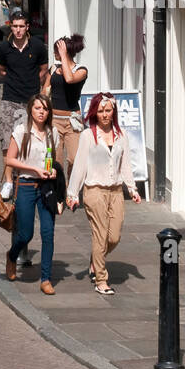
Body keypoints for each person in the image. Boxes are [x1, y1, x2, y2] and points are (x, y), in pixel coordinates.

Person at [67, 92, 141, 295]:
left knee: (114, 236)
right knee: (100, 235)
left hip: (116, 191)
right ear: (94, 112)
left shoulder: (121, 135)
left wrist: (132, 189)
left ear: (114, 111)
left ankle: (95, 260)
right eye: (100, 111)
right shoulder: (87, 135)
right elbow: (80, 165)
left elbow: (125, 165)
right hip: (94, 190)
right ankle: (101, 279)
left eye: (108, 110)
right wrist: (72, 193)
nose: (104, 115)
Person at [4, 94, 60, 294]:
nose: (41, 112)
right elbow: (9, 160)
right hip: (27, 184)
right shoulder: (21, 131)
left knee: (48, 233)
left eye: (45, 109)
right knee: (25, 233)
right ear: (31, 110)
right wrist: (33, 169)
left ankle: (46, 278)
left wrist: (53, 170)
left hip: (46, 187)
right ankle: (12, 256)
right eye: (37, 108)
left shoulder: (53, 132)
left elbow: (55, 161)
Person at [0, 7, 49, 198]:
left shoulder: (36, 46)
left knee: (29, 140)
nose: (18, 30)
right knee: (6, 141)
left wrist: (35, 83)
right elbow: (1, 69)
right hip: (10, 99)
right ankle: (9, 182)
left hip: (30, 100)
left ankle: (26, 176)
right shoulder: (4, 47)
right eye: (15, 26)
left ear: (27, 27)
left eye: (21, 26)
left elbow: (43, 68)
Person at [49, 34, 88, 174]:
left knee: (74, 158)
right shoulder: (53, 69)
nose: (55, 54)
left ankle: (72, 189)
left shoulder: (81, 70)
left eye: (57, 51)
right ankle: (59, 191)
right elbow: (44, 92)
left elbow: (69, 79)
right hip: (54, 120)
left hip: (72, 121)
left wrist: (64, 56)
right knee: (55, 159)